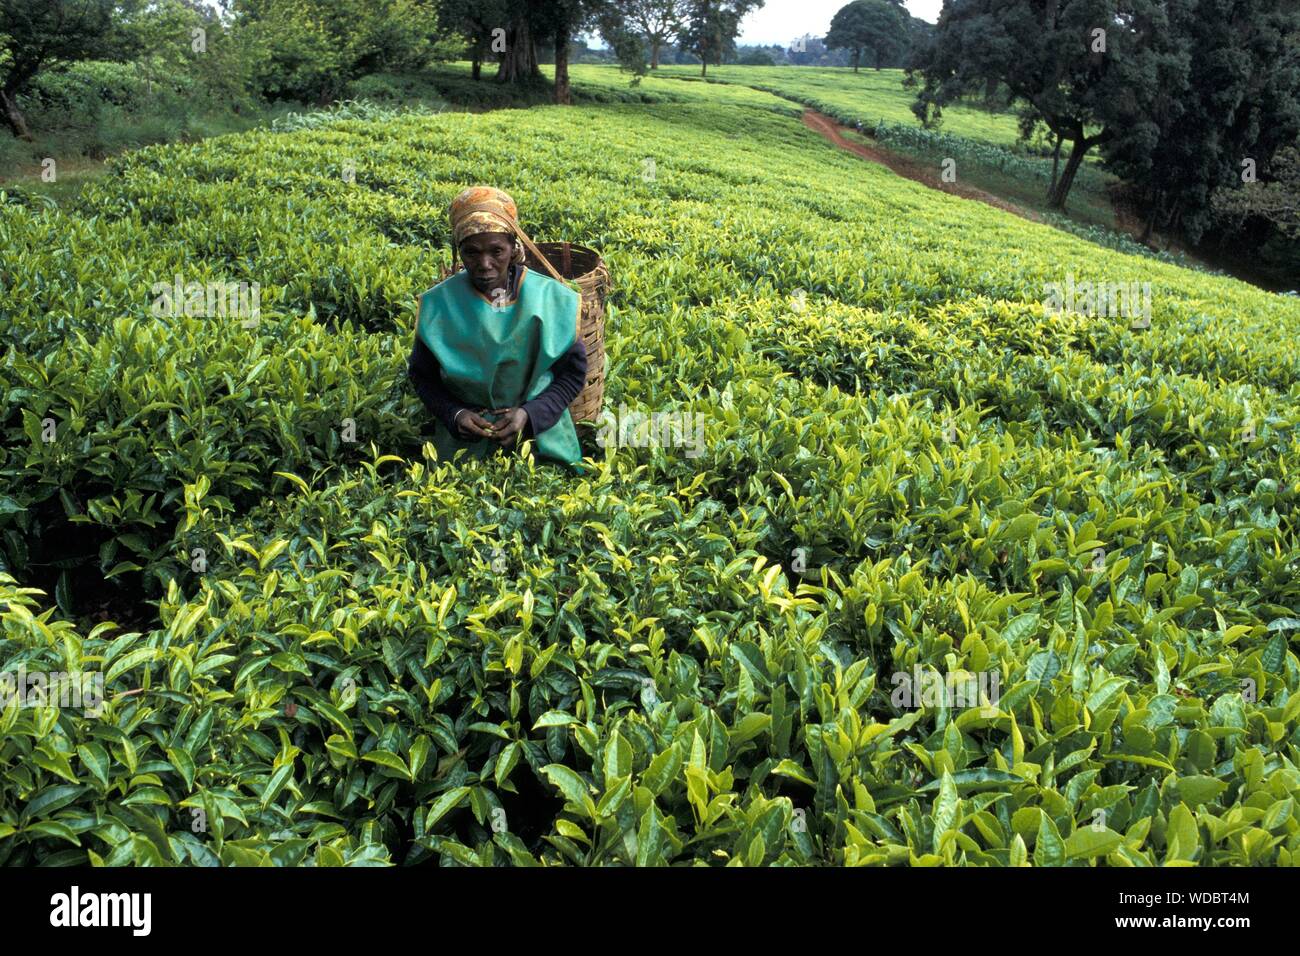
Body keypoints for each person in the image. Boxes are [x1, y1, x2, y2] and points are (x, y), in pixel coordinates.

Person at [408, 186, 588, 470]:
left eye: (497, 251)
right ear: (458, 252)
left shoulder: (550, 299)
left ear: (513, 247)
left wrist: (530, 415)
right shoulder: (439, 304)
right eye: (471, 253)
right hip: (464, 441)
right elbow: (422, 376)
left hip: (542, 436)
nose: (485, 264)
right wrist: (455, 414)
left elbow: (572, 375)